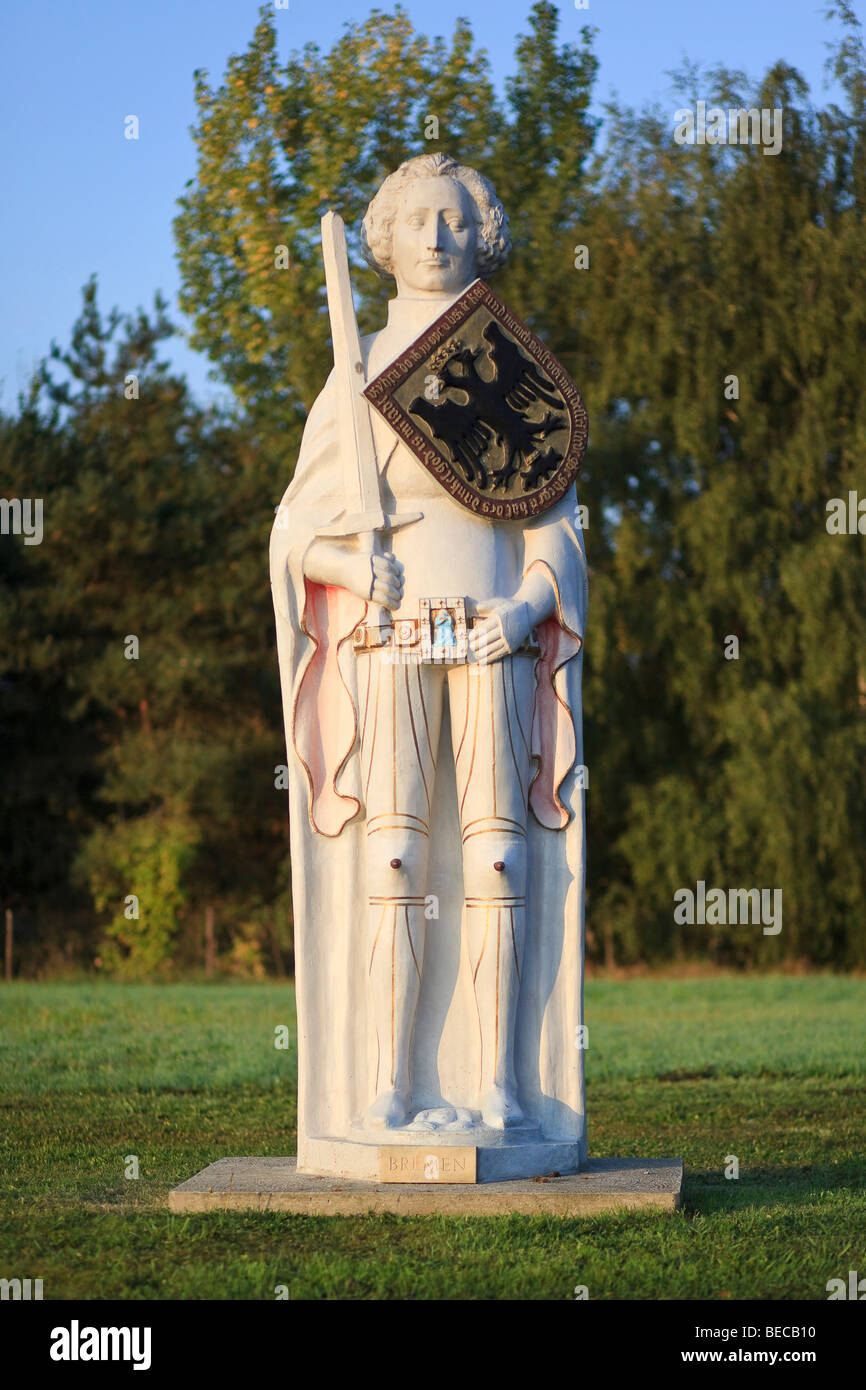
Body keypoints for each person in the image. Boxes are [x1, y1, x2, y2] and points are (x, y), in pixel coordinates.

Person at [270, 155, 588, 1155]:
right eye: (416, 220)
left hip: (488, 626)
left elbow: (556, 528)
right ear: (386, 239)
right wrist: (351, 569)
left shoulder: (508, 370)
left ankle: (499, 1086)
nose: (435, 235)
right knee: (397, 852)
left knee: (495, 855)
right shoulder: (357, 375)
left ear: (479, 232)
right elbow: (292, 534)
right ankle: (388, 1092)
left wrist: (529, 603)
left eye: (453, 218)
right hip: (391, 635)